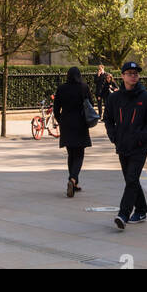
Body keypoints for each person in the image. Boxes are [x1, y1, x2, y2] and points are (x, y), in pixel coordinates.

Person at [104, 61, 147, 230]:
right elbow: (108, 119)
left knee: (131, 179)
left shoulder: (146, 98)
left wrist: (141, 137)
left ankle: (123, 215)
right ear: (122, 76)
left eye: (135, 73)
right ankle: (141, 210)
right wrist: (113, 136)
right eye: (129, 73)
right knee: (131, 179)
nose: (133, 76)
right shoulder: (114, 98)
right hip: (122, 144)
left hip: (140, 146)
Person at [52, 66, 93, 196]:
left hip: (66, 123)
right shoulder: (84, 87)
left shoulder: (62, 88)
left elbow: (56, 108)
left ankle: (74, 183)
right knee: (80, 154)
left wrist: (60, 121)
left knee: (71, 154)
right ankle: (73, 178)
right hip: (81, 123)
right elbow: (90, 105)